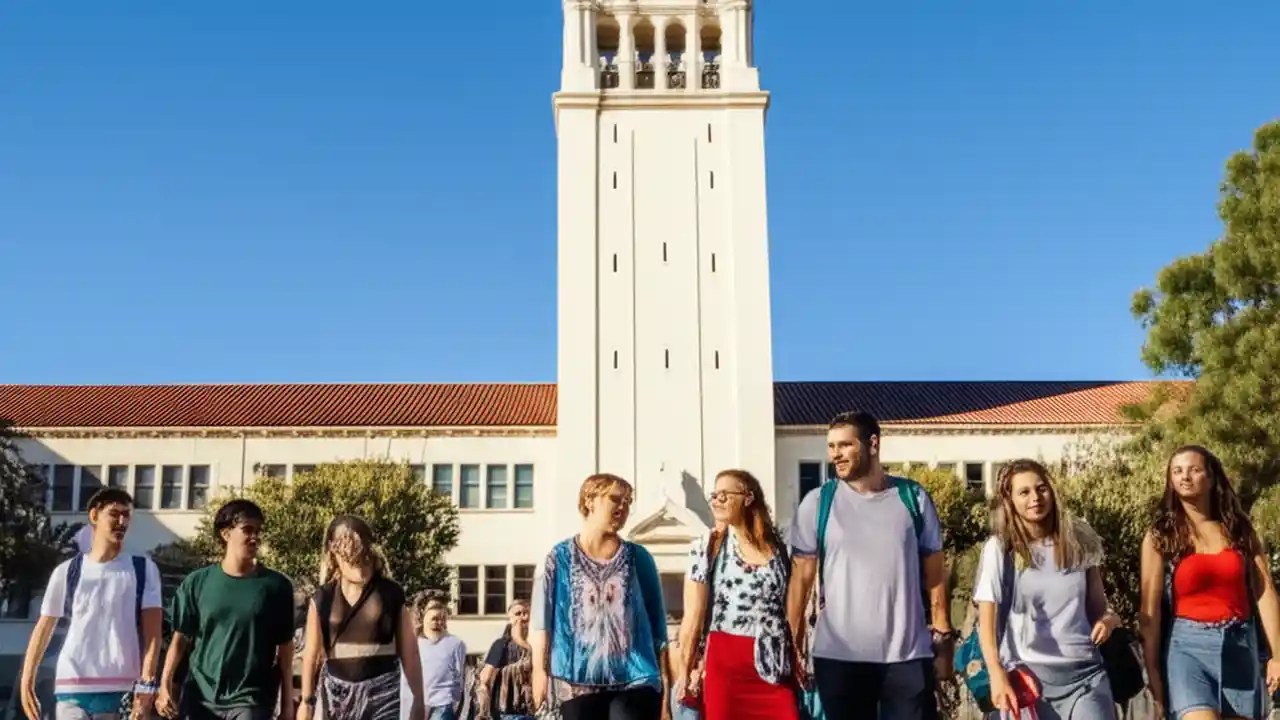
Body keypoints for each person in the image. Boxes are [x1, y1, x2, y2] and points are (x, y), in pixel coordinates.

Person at [786, 411, 954, 720]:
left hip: (906, 657)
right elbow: (801, 579)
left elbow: (935, 575)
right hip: (839, 659)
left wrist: (943, 637)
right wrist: (791, 644)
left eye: (845, 445)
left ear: (872, 444)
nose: (835, 454)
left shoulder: (913, 498)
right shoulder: (816, 503)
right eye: (831, 446)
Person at [1138, 445, 1280, 720]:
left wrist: (1277, 655)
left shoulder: (1239, 530)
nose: (1185, 477)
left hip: (1240, 645)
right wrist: (1153, 673)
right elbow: (1149, 612)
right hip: (1188, 648)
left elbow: (1265, 592)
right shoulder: (1162, 536)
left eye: (1194, 469)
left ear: (1212, 477)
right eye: (1177, 471)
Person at [974, 459, 1120, 719]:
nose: (1035, 498)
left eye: (1041, 488)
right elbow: (986, 623)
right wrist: (996, 674)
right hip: (1027, 680)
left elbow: (1099, 608)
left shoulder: (1079, 540)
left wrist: (1108, 620)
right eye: (1024, 492)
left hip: (1085, 674)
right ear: (1009, 501)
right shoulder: (1000, 550)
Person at [530, 473, 671, 720]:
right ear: (589, 501)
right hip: (576, 678)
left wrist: (666, 690)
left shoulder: (640, 558)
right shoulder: (558, 559)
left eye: (628, 502)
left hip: (637, 677)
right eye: (616, 499)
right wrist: (539, 672)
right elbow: (543, 621)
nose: (623, 507)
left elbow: (658, 628)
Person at [19, 488, 163, 720]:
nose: (122, 521)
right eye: (114, 514)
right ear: (94, 516)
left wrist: (147, 683)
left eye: (126, 515)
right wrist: (27, 681)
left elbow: (153, 634)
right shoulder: (67, 571)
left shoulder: (142, 569)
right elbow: (44, 627)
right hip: (72, 686)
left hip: (120, 688)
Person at [156, 499, 297, 720]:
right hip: (201, 696)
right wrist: (164, 685)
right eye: (247, 530)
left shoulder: (276, 586)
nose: (255, 537)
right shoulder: (197, 583)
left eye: (258, 531)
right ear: (226, 533)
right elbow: (180, 639)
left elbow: (286, 650)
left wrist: (287, 706)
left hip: (250, 698)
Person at [678, 470, 797, 720]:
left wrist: (800, 654)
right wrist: (684, 672)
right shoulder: (706, 547)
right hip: (725, 668)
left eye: (725, 494)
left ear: (748, 497)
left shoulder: (781, 546)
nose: (717, 500)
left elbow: (793, 608)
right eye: (715, 495)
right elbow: (693, 618)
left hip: (773, 667)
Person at [298, 516, 424, 720]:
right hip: (338, 694)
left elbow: (410, 652)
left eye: (364, 558)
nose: (360, 568)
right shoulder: (323, 598)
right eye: (353, 561)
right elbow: (311, 656)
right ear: (335, 555)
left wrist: (419, 699)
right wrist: (306, 701)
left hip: (383, 693)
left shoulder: (390, 593)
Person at [409, 599, 466, 720]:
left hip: (443, 703)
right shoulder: (414, 644)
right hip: (418, 704)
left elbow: (459, 675)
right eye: (434, 619)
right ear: (424, 620)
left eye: (442, 619)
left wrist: (455, 701)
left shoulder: (456, 643)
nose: (439, 622)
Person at [477, 602, 534, 720]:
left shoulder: (537, 644)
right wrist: (483, 712)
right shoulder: (502, 644)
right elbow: (485, 678)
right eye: (518, 614)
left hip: (534, 709)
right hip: (509, 710)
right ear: (510, 619)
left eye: (526, 613)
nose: (524, 617)